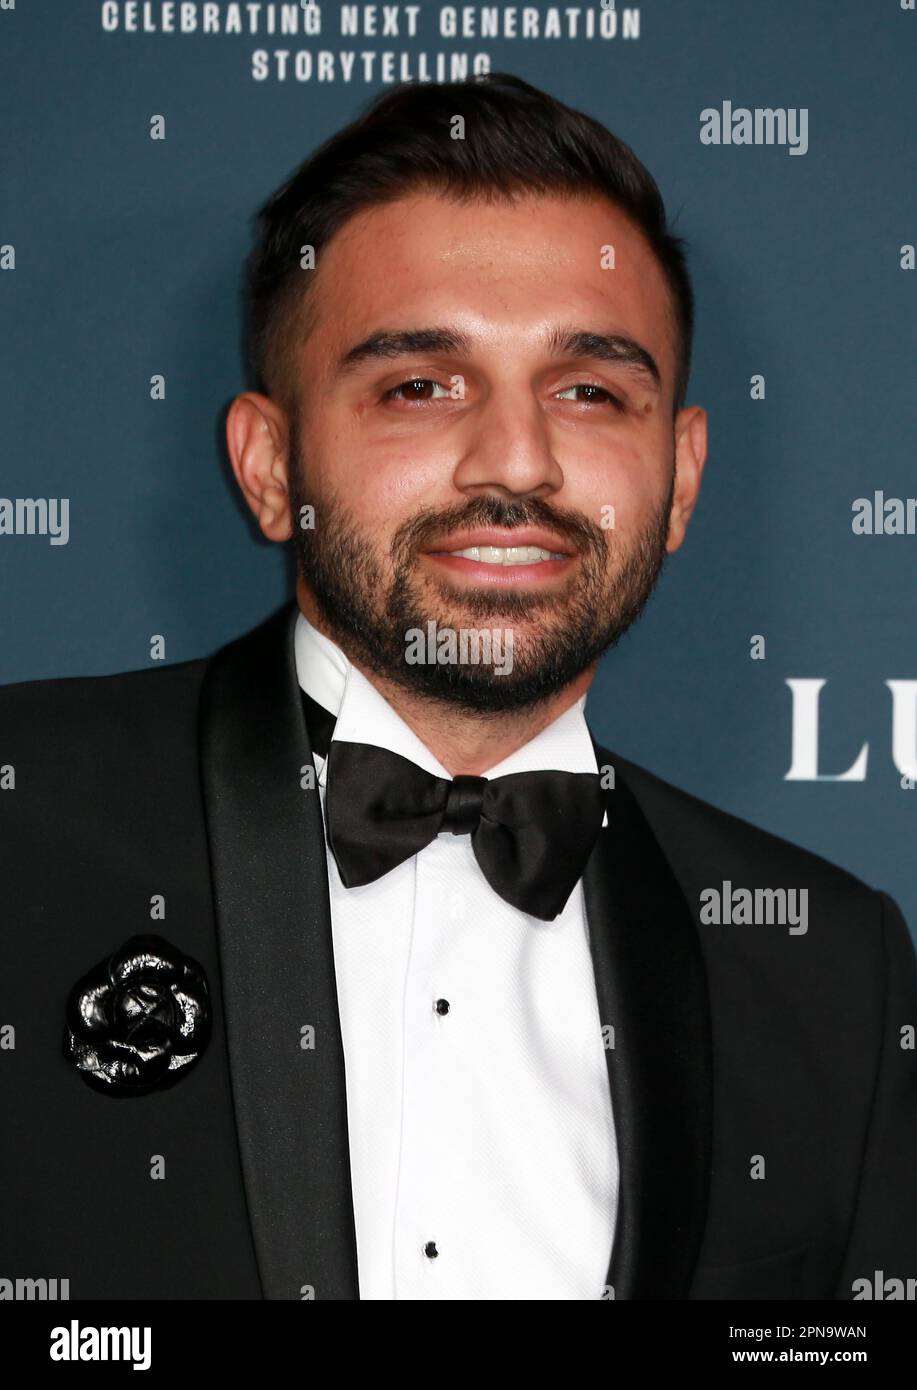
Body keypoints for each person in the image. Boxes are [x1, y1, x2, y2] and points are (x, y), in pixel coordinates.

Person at [1, 73, 915, 1302]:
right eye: (419, 384)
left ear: (681, 476)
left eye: (588, 389)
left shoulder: (826, 966)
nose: (517, 461)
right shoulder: (22, 828)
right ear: (270, 466)